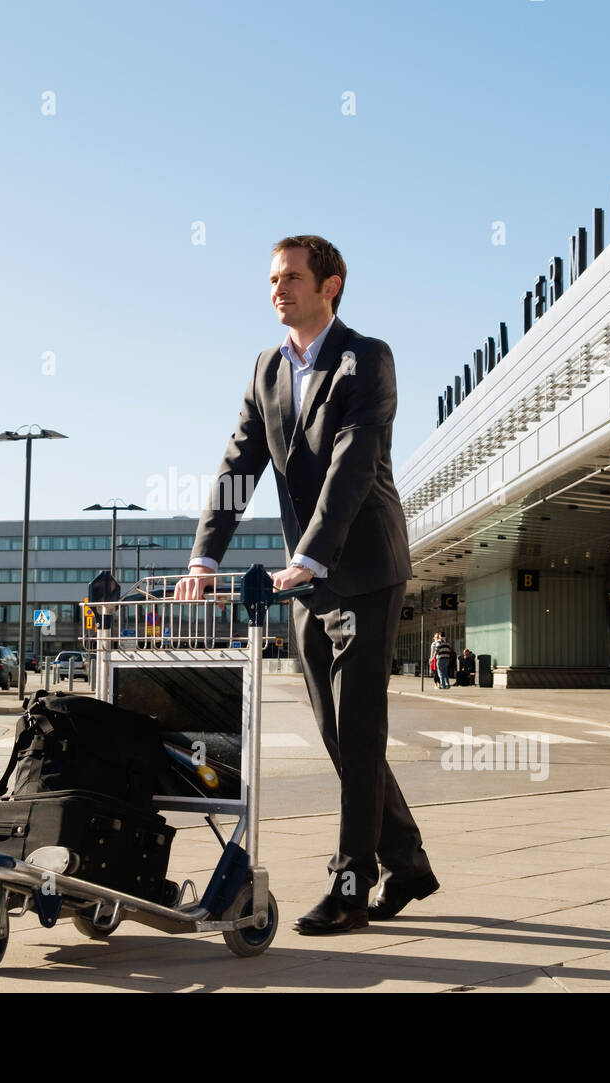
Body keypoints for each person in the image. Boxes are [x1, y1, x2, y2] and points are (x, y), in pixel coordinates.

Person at [176, 235, 438, 936]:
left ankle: (352, 884)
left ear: (332, 284)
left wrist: (312, 554)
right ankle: (407, 862)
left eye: (291, 277)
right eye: (271, 278)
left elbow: (352, 468)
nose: (277, 289)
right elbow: (240, 460)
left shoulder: (367, 358)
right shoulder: (267, 368)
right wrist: (205, 554)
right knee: (338, 733)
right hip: (307, 579)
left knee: (358, 732)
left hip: (363, 569)